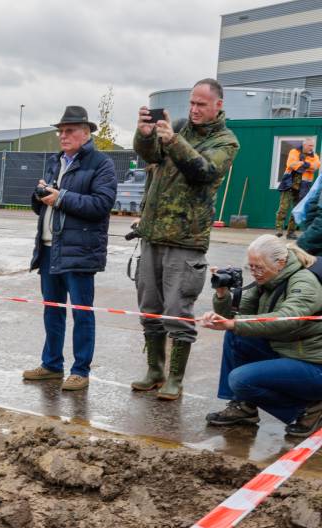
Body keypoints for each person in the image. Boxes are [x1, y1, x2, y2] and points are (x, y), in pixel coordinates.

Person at [131, 78, 240, 401]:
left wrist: (174, 140)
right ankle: (154, 370)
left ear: (218, 105)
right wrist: (146, 134)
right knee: (149, 307)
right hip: (152, 234)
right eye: (192, 103)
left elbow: (203, 171)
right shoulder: (178, 128)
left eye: (201, 104)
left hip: (185, 239)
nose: (194, 109)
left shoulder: (226, 141)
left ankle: (175, 378)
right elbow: (148, 156)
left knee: (178, 310)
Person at [21, 106, 118, 391]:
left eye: (70, 131)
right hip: (50, 247)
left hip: (80, 251)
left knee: (81, 312)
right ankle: (52, 365)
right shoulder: (55, 161)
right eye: (60, 131)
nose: (63, 136)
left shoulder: (101, 164)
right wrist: (39, 195)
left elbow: (101, 204)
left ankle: (80, 370)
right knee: (52, 310)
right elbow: (42, 206)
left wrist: (61, 197)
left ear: (86, 133)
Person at [200, 235, 322, 437]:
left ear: (280, 263)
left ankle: (309, 409)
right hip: (290, 351)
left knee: (240, 379)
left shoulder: (304, 281)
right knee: (235, 336)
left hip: (314, 364)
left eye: (258, 267)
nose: (254, 273)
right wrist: (222, 293)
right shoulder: (271, 278)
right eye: (251, 267)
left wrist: (233, 323)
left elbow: (288, 318)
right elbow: (235, 317)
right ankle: (244, 407)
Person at [277, 138, 319, 239]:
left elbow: (315, 166)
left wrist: (301, 163)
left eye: (312, 146)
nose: (311, 148)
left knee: (296, 210)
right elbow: (291, 165)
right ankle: (279, 230)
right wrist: (307, 165)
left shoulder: (315, 156)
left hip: (303, 187)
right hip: (289, 184)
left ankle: (291, 232)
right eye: (310, 146)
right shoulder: (294, 151)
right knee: (283, 208)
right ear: (304, 145)